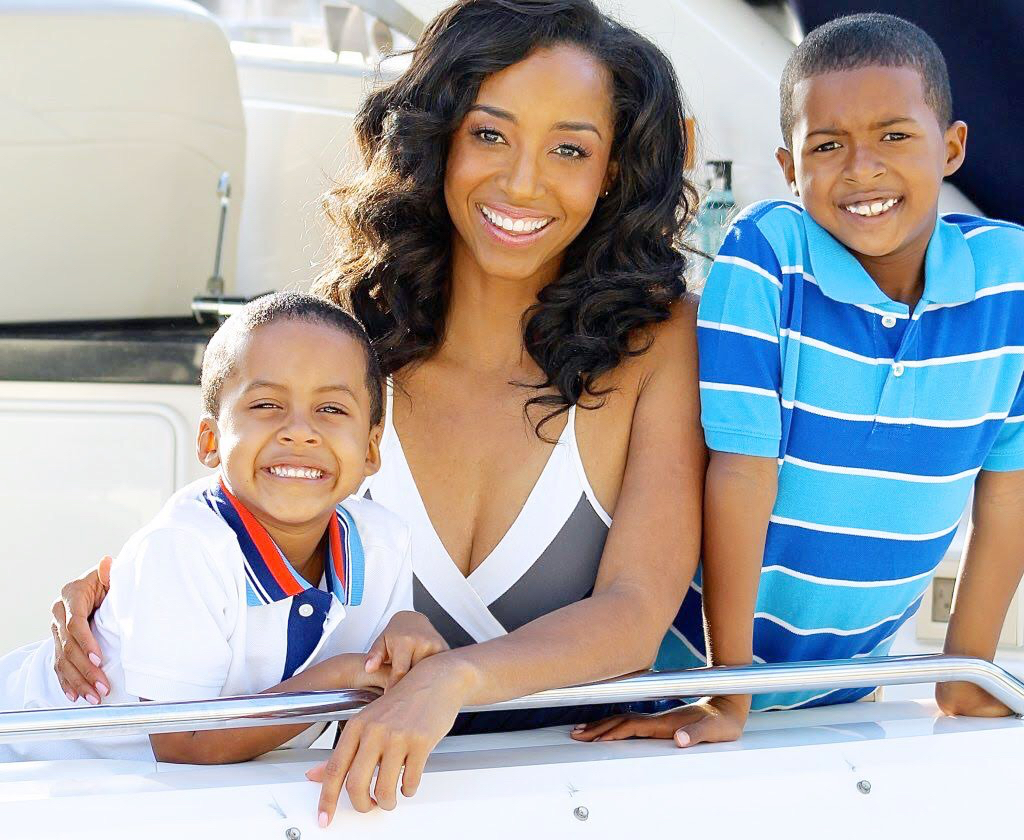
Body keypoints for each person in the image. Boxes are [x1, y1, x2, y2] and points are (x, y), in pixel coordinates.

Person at [48, 0, 705, 823]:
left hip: (576, 801)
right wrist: (116, 599)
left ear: (612, 169)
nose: (521, 181)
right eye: (489, 134)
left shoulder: (659, 342)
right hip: (348, 804)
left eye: (568, 148)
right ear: (439, 141)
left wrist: (450, 678)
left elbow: (636, 614)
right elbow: (227, 524)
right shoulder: (340, 338)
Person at [575, 13, 1024, 746]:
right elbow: (741, 474)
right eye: (827, 145)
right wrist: (727, 691)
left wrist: (967, 674)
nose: (862, 168)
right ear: (789, 167)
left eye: (895, 136)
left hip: (847, 695)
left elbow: (1008, 494)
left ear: (952, 148)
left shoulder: (1011, 281)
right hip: (674, 681)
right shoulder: (767, 257)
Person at [1, 292, 445, 764]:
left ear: (372, 449)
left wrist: (405, 628)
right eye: (267, 404)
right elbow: (183, 742)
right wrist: (340, 677)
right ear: (210, 440)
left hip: (170, 787)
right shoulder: (185, 547)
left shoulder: (383, 543)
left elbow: (385, 676)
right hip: (29, 762)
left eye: (331, 409)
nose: (300, 431)